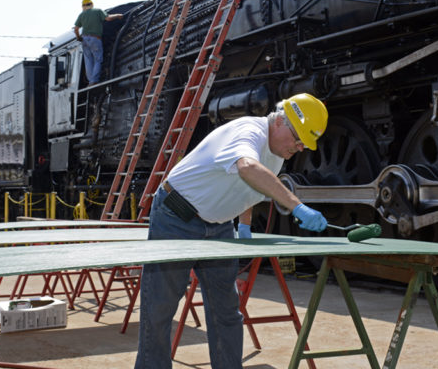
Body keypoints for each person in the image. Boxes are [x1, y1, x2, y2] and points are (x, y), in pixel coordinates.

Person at [135, 93, 329, 369]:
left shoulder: (276, 154)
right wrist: (296, 206)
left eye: (304, 144)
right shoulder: (248, 131)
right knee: (159, 309)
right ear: (280, 122)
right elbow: (247, 167)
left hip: (218, 226)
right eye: (298, 139)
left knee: (226, 311)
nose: (299, 147)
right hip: (176, 216)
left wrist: (245, 226)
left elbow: (246, 189)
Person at [72, 0, 124, 86]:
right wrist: (118, 15)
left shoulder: (81, 15)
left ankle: (90, 80)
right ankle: (94, 80)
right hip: (95, 38)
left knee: (88, 60)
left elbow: (76, 29)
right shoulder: (97, 11)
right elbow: (108, 18)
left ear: (83, 6)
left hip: (84, 39)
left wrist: (78, 37)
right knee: (98, 59)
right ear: (91, 4)